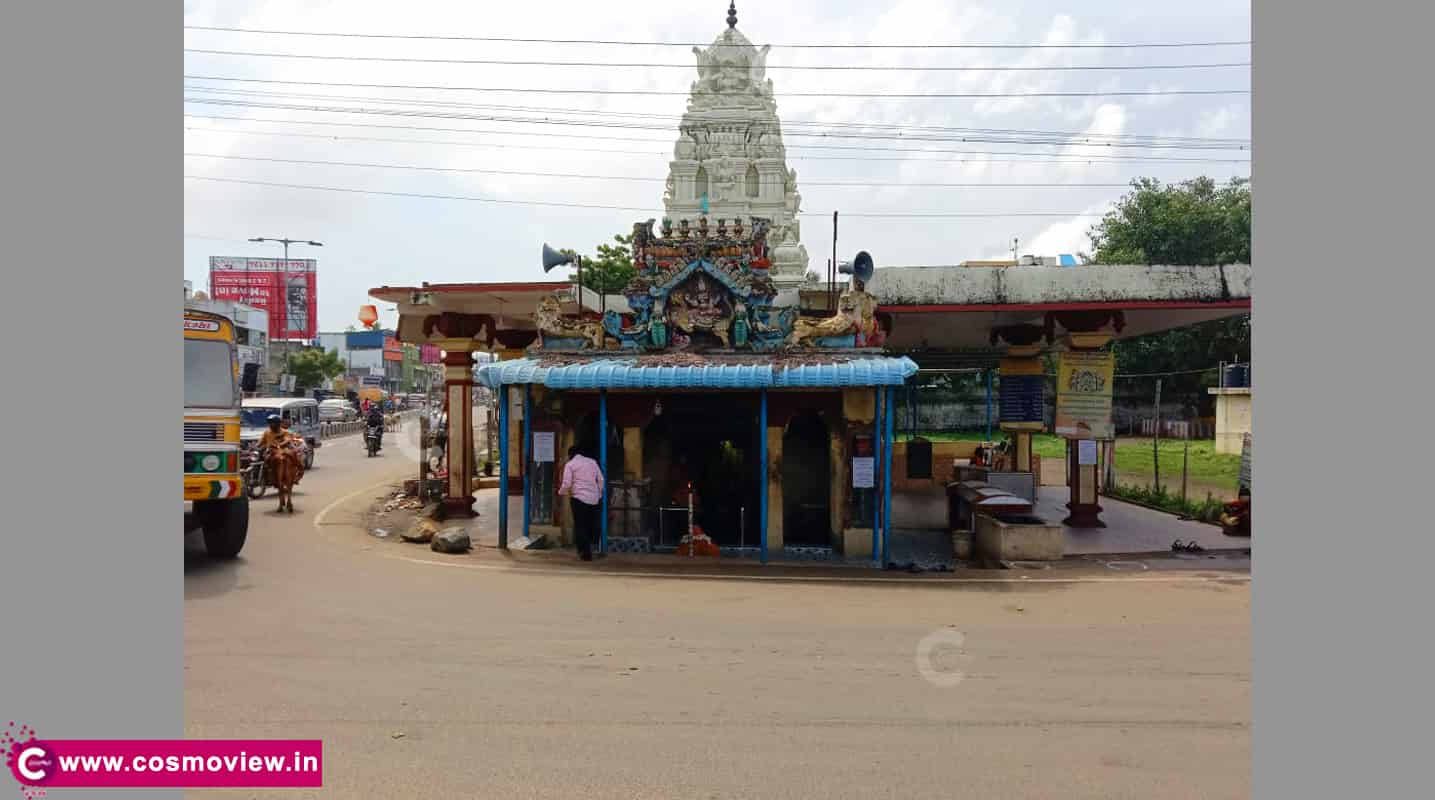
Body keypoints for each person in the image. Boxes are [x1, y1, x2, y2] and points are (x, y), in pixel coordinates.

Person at [559, 445, 605, 561]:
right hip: (593, 499)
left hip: (578, 499)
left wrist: (561, 492)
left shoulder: (570, 465)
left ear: (570, 455)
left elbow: (566, 483)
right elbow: (601, 480)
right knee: (590, 524)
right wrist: (599, 494)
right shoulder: (592, 462)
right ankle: (592, 547)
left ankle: (585, 552)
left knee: (580, 525)